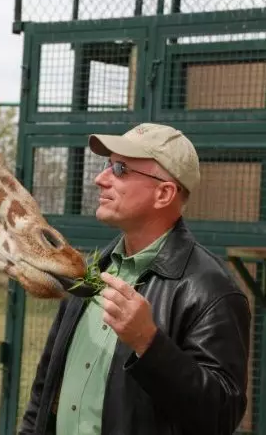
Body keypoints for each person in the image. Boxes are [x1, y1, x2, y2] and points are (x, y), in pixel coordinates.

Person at [18, 123, 251, 435]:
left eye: (120, 169)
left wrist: (148, 343)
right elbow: (45, 391)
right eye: (107, 166)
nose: (100, 179)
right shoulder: (91, 272)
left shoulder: (210, 290)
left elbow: (220, 417)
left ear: (164, 193)